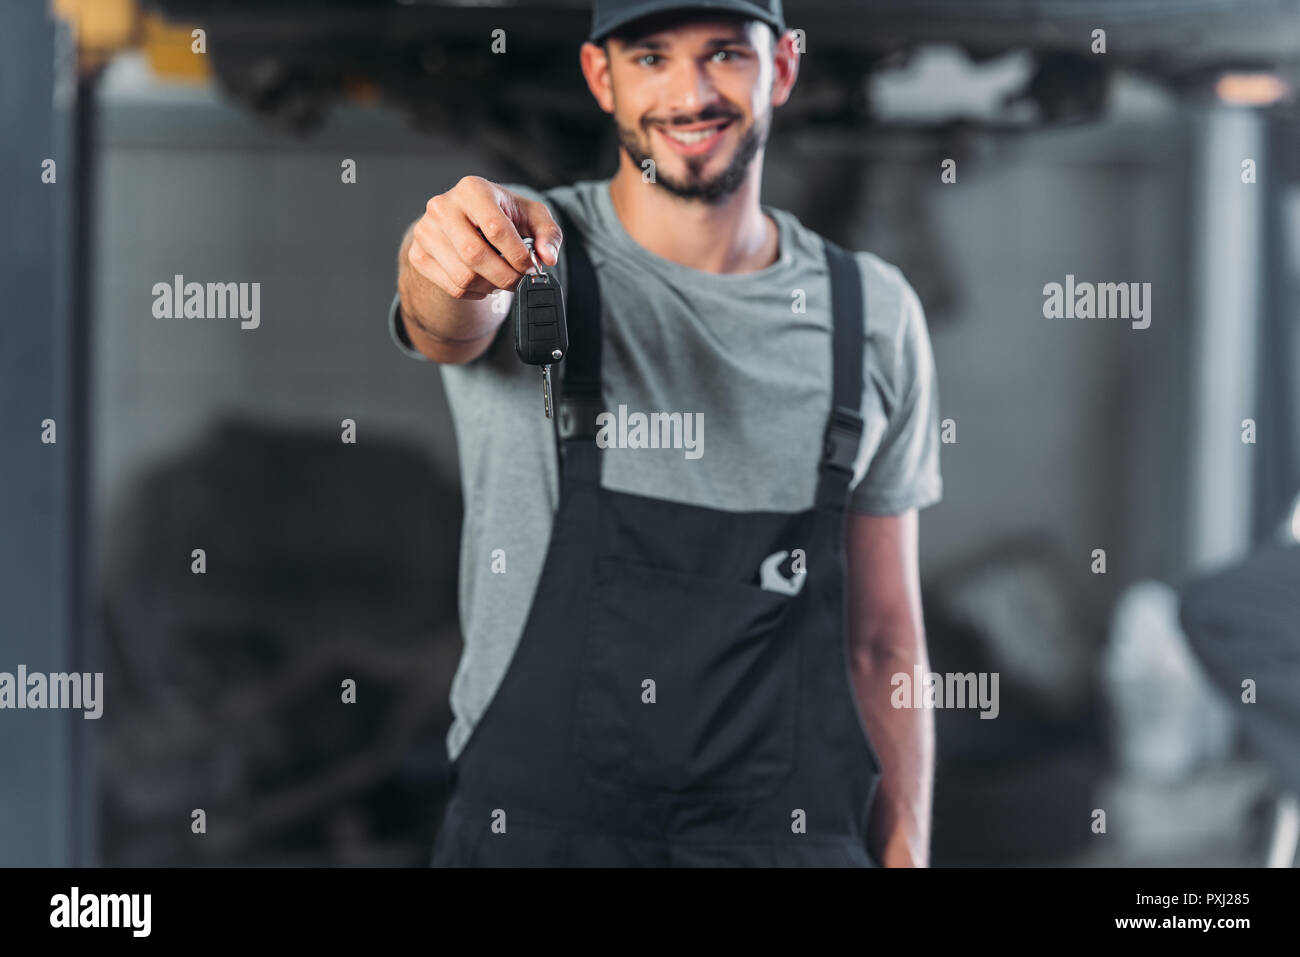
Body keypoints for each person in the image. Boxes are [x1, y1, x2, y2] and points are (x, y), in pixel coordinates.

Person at [387, 0, 943, 866]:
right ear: (599, 77)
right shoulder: (532, 254)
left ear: (783, 67)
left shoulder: (872, 313)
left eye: (725, 54)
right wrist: (447, 255)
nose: (690, 92)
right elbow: (443, 319)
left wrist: (907, 850)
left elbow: (885, 640)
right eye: (651, 58)